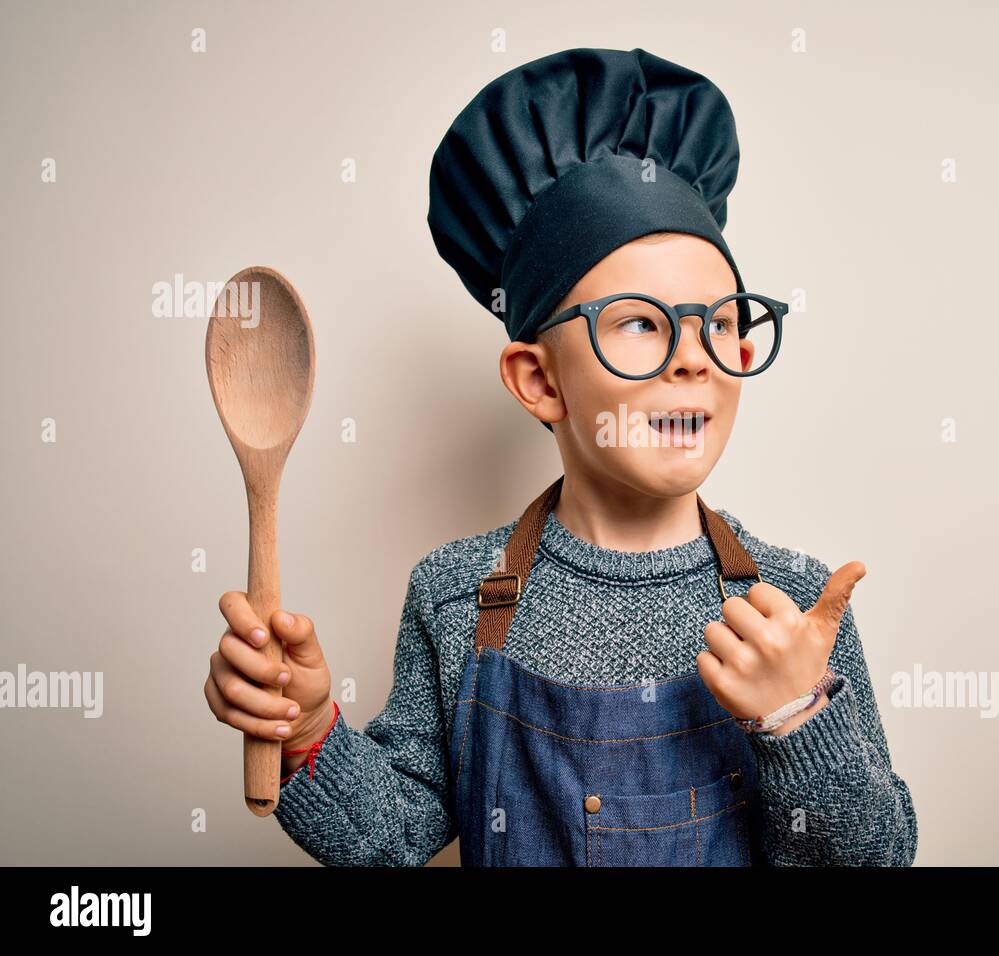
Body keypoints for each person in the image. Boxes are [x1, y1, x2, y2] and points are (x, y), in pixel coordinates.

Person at [203, 47, 918, 866]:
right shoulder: (456, 597)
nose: (695, 358)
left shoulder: (792, 607)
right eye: (642, 322)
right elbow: (392, 838)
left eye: (721, 322)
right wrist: (305, 729)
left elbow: (879, 859)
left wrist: (797, 715)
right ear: (539, 381)